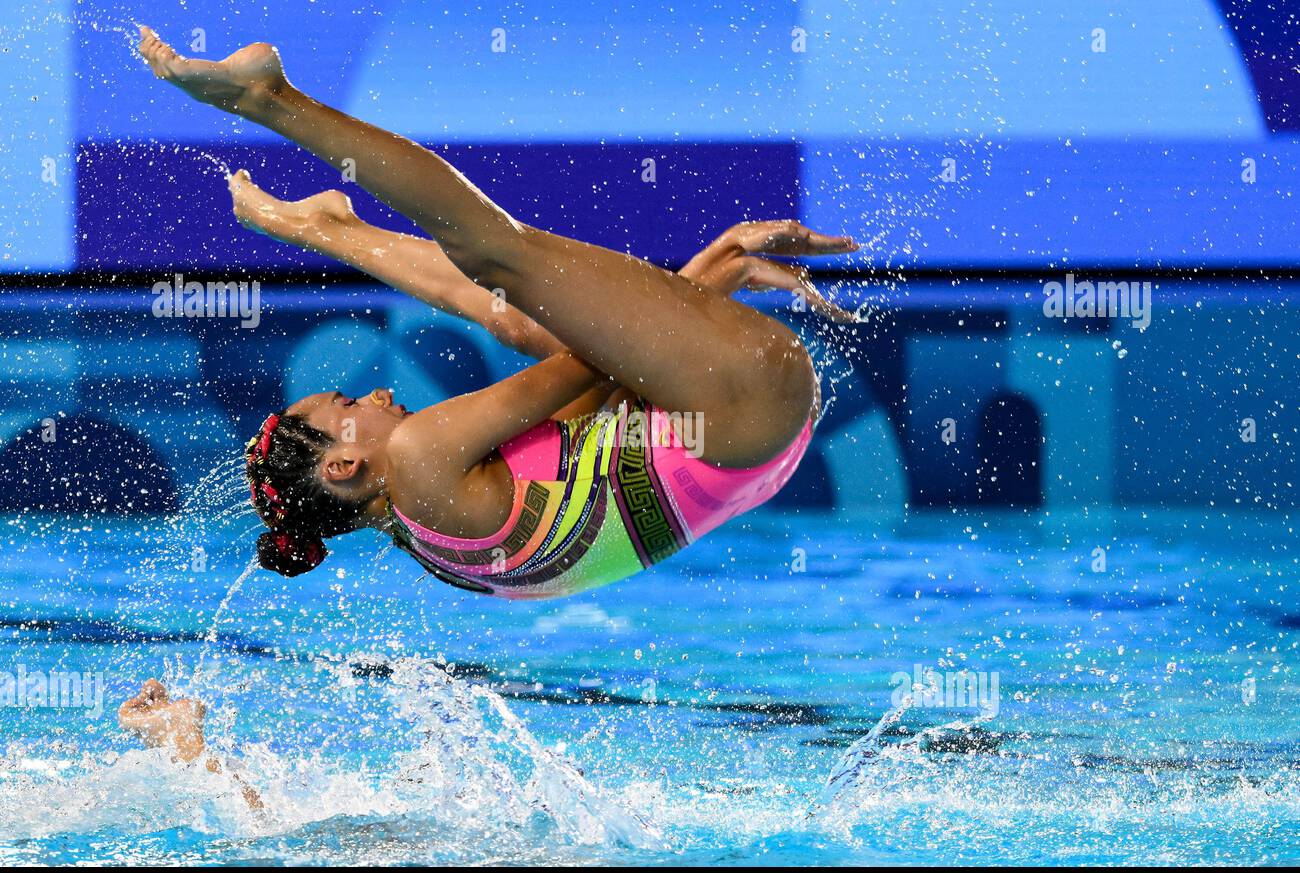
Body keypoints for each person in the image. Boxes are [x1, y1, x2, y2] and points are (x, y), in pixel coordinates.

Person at [138, 27, 858, 599]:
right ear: (346, 463)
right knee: (499, 259)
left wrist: (699, 296)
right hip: (737, 401)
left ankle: (327, 228)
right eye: (351, 402)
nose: (380, 394)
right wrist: (707, 279)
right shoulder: (419, 460)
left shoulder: (435, 545)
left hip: (753, 444)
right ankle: (270, 102)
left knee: (512, 311)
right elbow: (590, 354)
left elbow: (589, 429)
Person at [117, 679, 263, 809]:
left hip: (192, 774)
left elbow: (124, 715)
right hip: (211, 766)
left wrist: (141, 698)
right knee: (253, 807)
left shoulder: (141, 721)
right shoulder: (187, 706)